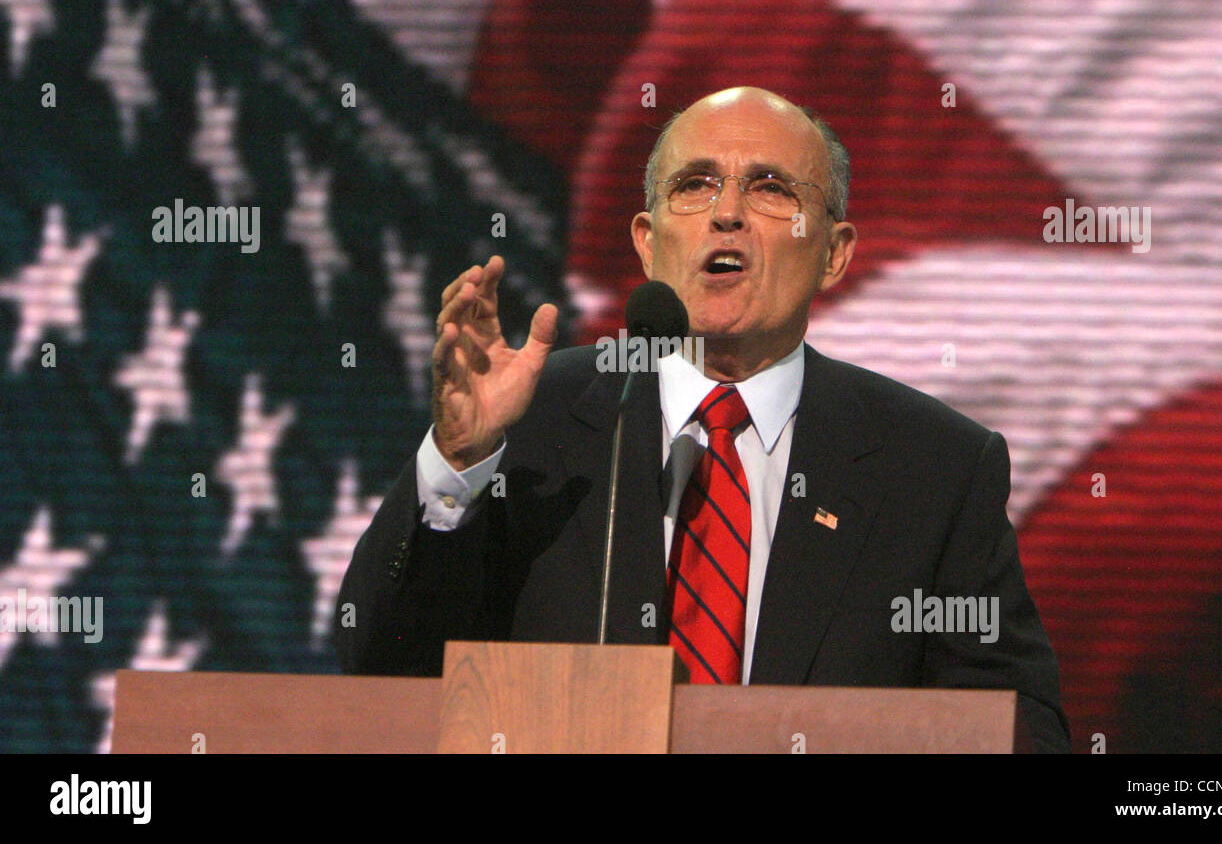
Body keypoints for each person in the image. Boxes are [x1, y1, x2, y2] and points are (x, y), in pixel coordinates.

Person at [335, 86, 1071, 752]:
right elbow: (380, 665)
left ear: (834, 254)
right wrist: (458, 463)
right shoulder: (532, 423)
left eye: (771, 189)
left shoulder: (934, 468)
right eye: (695, 186)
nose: (727, 213)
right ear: (649, 243)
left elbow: (1018, 731)